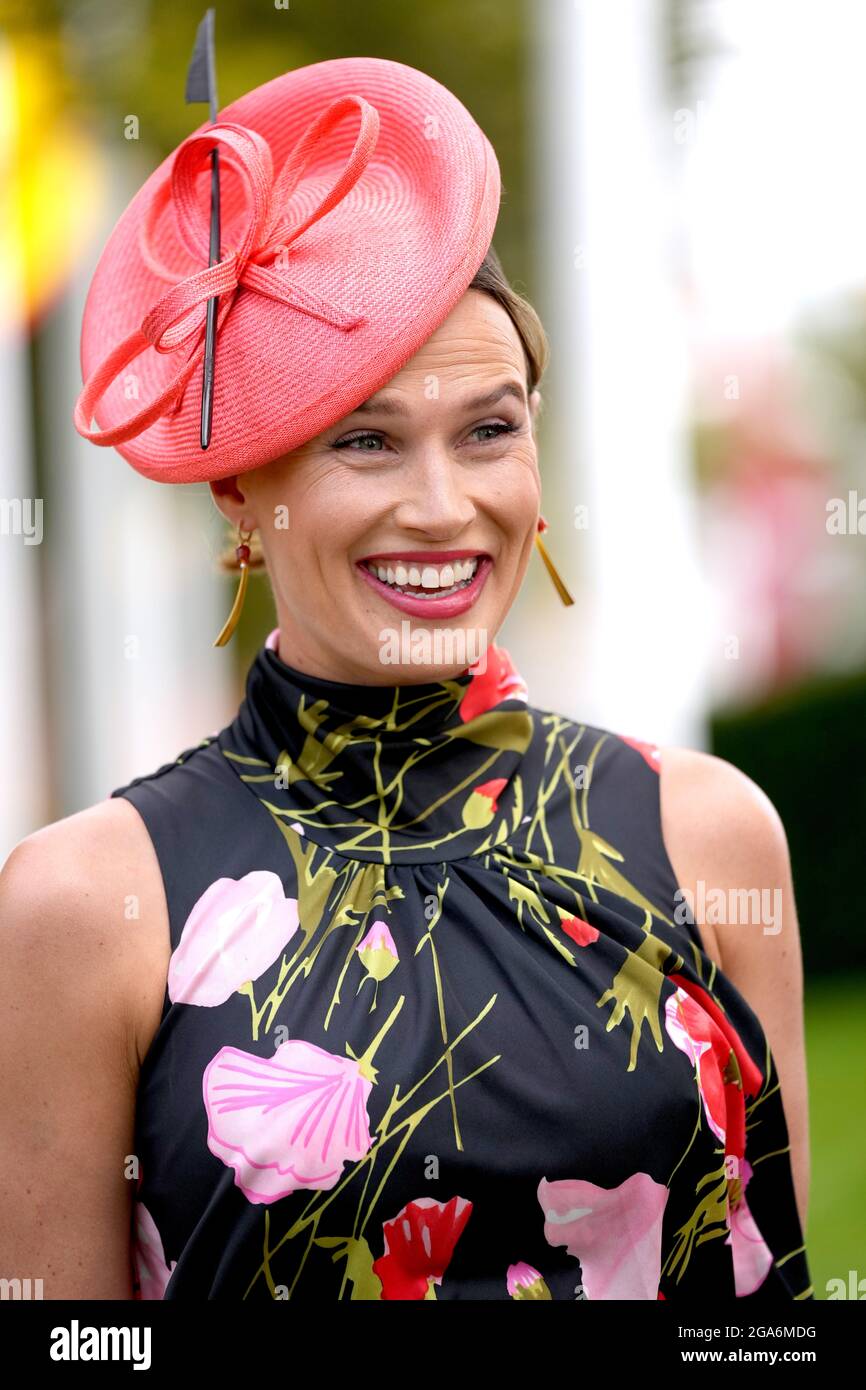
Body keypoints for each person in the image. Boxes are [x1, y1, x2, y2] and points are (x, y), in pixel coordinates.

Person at [0, 56, 810, 1301]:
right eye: (366, 441)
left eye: (488, 430)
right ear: (239, 486)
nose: (441, 507)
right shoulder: (85, 906)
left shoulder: (707, 835)